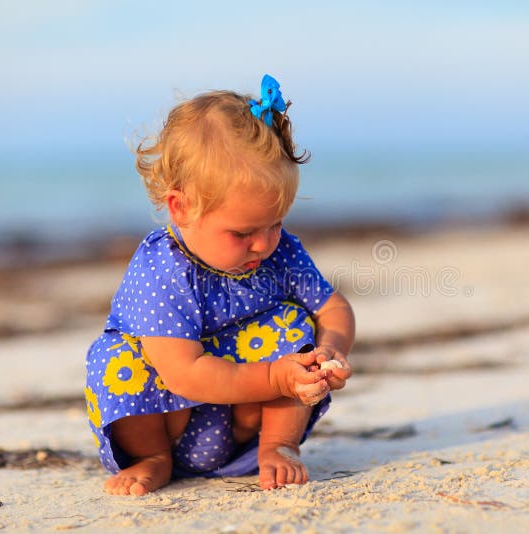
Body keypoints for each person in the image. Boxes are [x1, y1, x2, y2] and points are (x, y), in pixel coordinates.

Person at [84, 74, 356, 496]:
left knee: (293, 323)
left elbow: (332, 308)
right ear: (182, 208)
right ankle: (150, 457)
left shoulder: (280, 253)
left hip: (243, 423)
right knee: (117, 360)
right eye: (243, 232)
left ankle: (278, 446)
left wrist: (331, 349)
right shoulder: (163, 270)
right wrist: (277, 380)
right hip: (171, 422)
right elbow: (183, 374)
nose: (264, 244)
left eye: (276, 224)